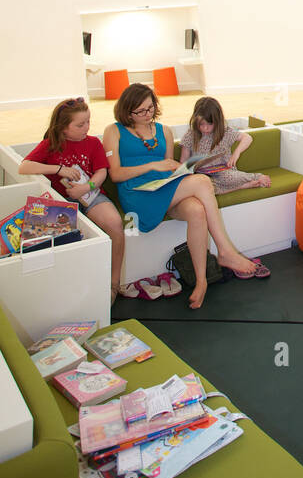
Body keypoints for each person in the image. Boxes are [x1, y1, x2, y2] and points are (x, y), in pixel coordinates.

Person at [103, 83, 258, 311]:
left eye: (150, 108)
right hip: (138, 195)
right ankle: (225, 251)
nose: (147, 114)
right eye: (140, 111)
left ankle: (201, 280)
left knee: (196, 210)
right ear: (127, 111)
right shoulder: (114, 131)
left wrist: (181, 169)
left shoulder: (164, 130)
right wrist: (153, 165)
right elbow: (115, 174)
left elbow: (170, 170)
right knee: (204, 183)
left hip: (165, 188)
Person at [18, 97, 127, 305]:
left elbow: (101, 171)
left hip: (91, 196)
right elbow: (24, 167)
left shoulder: (93, 142)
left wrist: (87, 187)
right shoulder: (50, 145)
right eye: (80, 124)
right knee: (48, 241)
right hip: (60, 203)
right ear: (63, 128)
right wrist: (58, 169)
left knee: (115, 224)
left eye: (88, 121)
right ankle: (59, 292)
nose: (87, 127)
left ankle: (114, 283)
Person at [179, 97, 271, 193]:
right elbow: (183, 161)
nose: (205, 128)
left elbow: (247, 138)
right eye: (201, 124)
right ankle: (241, 186)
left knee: (229, 177)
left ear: (217, 121)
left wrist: (236, 153)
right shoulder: (191, 134)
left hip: (224, 172)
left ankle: (256, 177)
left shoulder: (224, 131)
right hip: (202, 176)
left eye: (209, 124)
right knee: (202, 186)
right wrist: (188, 172)